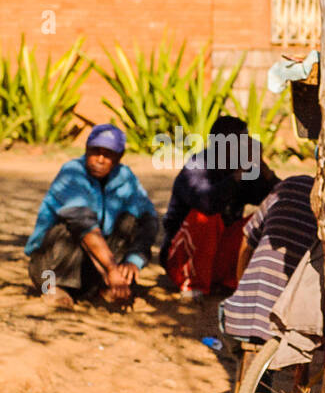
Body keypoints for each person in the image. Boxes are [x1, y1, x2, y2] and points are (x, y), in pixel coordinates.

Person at [26, 122, 158, 309]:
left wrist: (133, 261)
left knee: (131, 222)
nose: (100, 159)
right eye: (95, 151)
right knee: (68, 227)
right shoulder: (72, 172)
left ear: (119, 158)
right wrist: (111, 269)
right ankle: (52, 288)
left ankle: (108, 287)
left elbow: (149, 220)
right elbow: (84, 227)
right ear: (86, 150)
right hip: (50, 268)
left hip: (93, 266)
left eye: (108, 154)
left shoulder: (125, 177)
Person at [160, 116, 278, 299]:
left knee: (270, 215)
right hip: (182, 258)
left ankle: (232, 280)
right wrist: (238, 176)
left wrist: (262, 167)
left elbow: (277, 198)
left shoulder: (243, 167)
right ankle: (193, 284)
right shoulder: (198, 165)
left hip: (218, 253)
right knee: (206, 217)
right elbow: (206, 204)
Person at [218, 174, 318, 343]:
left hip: (240, 317)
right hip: (288, 325)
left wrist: (241, 287)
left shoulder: (288, 185)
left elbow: (246, 239)